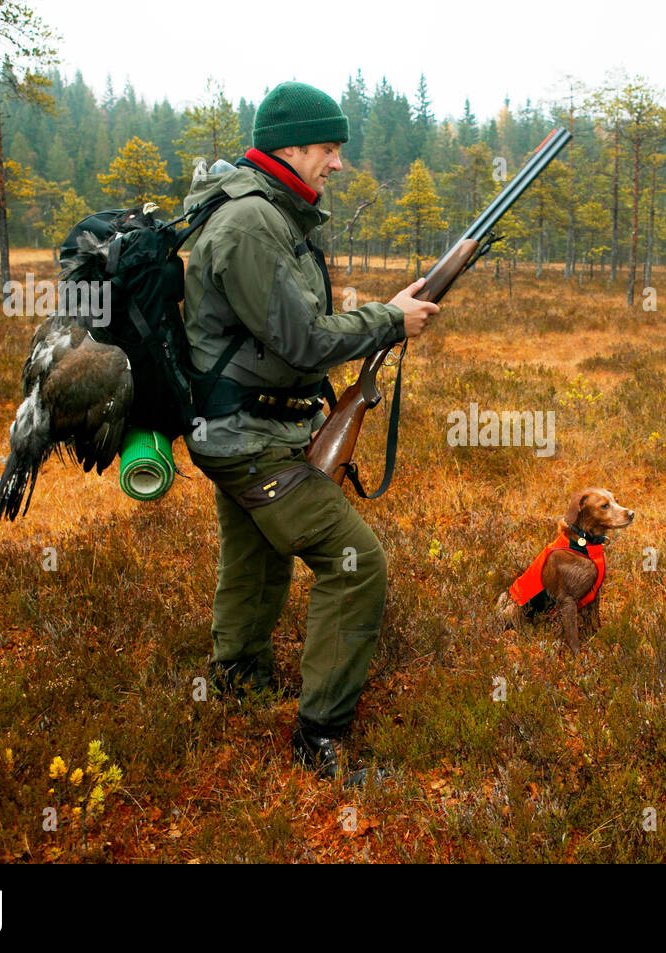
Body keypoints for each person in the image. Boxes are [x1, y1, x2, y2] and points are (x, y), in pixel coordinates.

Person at [181, 81, 439, 783]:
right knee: (356, 565)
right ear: (290, 147)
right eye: (329, 148)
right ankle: (319, 742)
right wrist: (389, 320)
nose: (339, 163)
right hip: (247, 439)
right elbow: (301, 339)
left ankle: (238, 682)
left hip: (246, 430)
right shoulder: (250, 225)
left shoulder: (266, 214)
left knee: (257, 553)